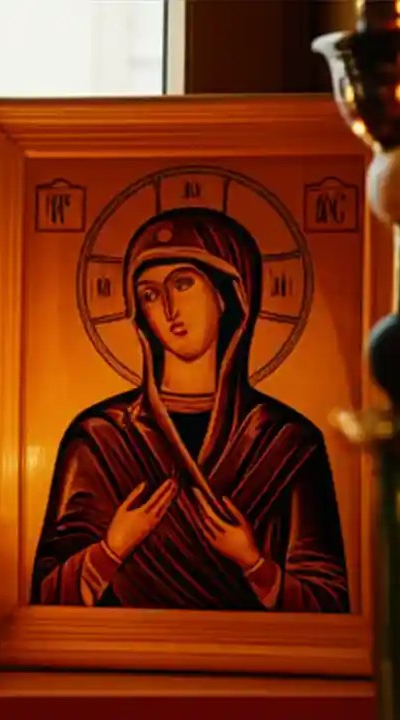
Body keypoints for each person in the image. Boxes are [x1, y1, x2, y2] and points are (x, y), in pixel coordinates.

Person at [31, 207, 349, 612]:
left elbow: (328, 603)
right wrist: (113, 548)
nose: (168, 309)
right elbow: (46, 597)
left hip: (258, 652)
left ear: (228, 295)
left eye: (182, 284)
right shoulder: (100, 437)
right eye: (149, 294)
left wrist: (252, 563)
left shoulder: (288, 442)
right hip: (120, 648)